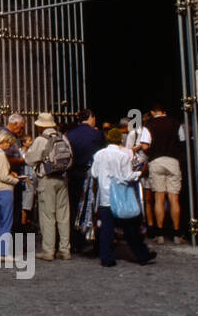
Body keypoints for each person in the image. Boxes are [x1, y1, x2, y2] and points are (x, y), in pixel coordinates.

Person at [90, 138, 156, 267]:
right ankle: (142, 255)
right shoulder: (123, 156)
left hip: (105, 196)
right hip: (121, 197)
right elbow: (127, 176)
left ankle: (106, 258)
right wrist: (139, 173)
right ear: (120, 141)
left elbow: (94, 173)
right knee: (131, 228)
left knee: (106, 229)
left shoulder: (98, 154)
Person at [24, 112, 73, 260]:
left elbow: (29, 160)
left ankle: (48, 250)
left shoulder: (40, 140)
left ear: (41, 127)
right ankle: (65, 249)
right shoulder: (62, 137)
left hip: (47, 179)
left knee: (47, 215)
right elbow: (71, 158)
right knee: (63, 215)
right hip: (62, 179)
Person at [65, 109, 105, 253]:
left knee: (75, 207)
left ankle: (76, 241)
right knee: (93, 207)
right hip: (92, 174)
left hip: (75, 173)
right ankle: (95, 239)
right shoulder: (97, 134)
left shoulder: (70, 134)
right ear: (91, 118)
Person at [144, 103, 184, 244]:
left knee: (159, 199)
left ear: (152, 112)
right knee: (174, 199)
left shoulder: (149, 125)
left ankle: (160, 234)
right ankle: (176, 234)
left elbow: (145, 145)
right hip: (173, 160)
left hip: (156, 161)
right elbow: (182, 141)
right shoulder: (175, 122)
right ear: (164, 111)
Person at [0, 133, 21, 259]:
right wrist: (16, 180)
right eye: (9, 143)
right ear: (5, 142)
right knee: (5, 221)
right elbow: (3, 176)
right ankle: (2, 252)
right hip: (4, 189)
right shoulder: (0, 154)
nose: (10, 146)